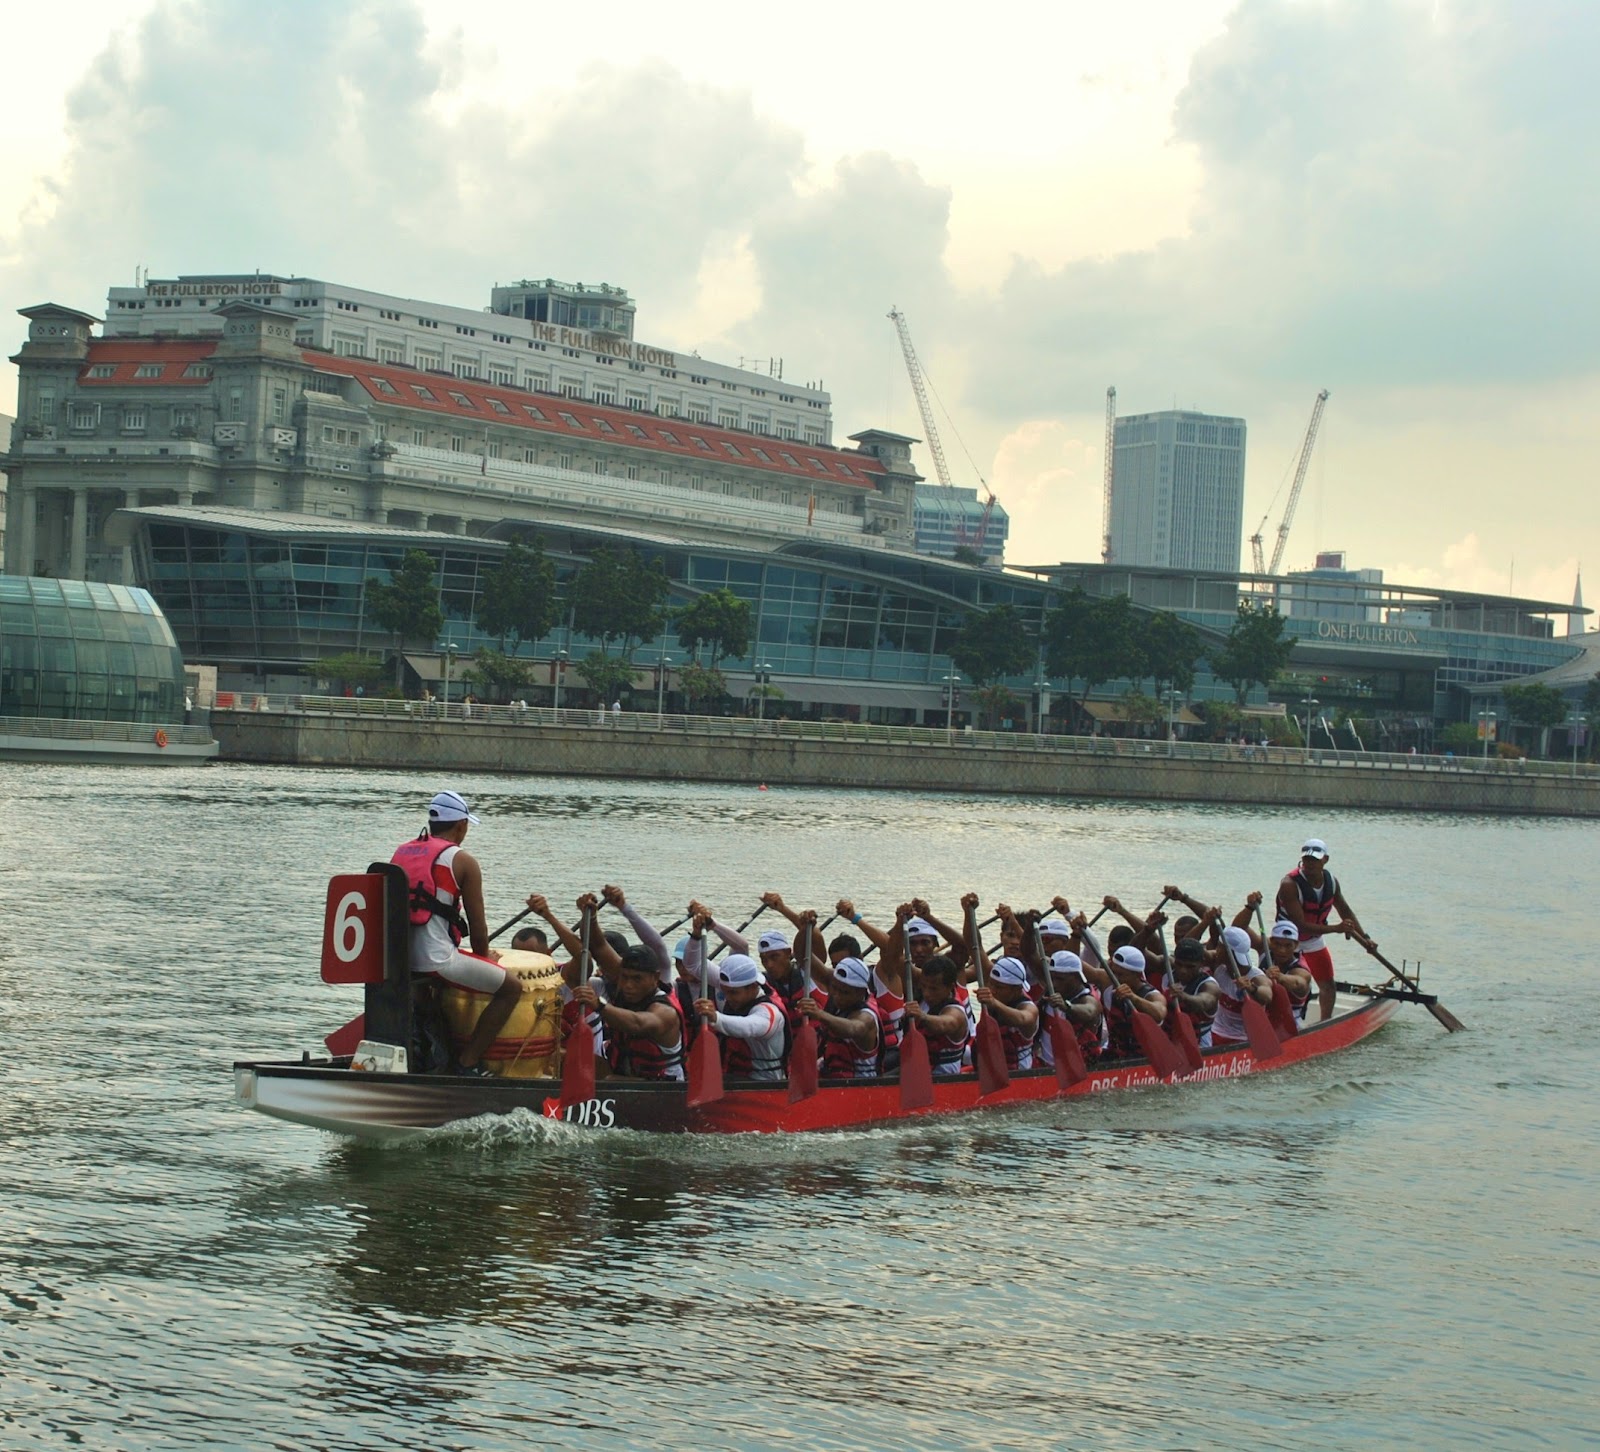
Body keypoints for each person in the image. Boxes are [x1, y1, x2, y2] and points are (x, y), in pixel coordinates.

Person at [390, 790, 524, 1075]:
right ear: (461, 825)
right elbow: (478, 928)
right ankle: (467, 1063)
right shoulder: (463, 861)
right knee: (512, 989)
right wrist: (485, 958)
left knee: (439, 989)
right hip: (435, 960)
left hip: (397, 962)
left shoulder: (402, 852)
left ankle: (432, 1054)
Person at [1276, 838, 1369, 1022]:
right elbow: (1300, 924)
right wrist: (1336, 928)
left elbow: (1345, 911)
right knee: (1284, 985)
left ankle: (1325, 1022)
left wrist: (1366, 939)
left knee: (1327, 985)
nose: (1309, 864)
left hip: (1314, 940)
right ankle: (1279, 1020)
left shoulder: (1331, 882)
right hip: (1287, 941)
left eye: (1315, 860)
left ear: (1325, 859)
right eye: (1306, 859)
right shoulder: (1289, 884)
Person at [574, 944, 685, 1080]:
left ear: (656, 977)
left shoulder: (665, 1012)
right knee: (574, 1058)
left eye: (637, 979)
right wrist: (591, 922)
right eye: (624, 977)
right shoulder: (625, 986)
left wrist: (598, 1004)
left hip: (662, 1085)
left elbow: (638, 1023)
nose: (628, 985)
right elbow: (598, 946)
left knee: (609, 1079)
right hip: (628, 1075)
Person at [696, 954, 786, 1081]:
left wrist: (716, 1017)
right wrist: (696, 937)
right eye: (724, 992)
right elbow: (694, 964)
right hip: (736, 1076)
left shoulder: (768, 1013)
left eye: (733, 993)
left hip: (764, 1080)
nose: (727, 998)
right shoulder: (736, 988)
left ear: (753, 986)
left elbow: (747, 1027)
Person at [798, 955, 881, 1079]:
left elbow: (853, 1028)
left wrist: (819, 1013)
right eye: (835, 989)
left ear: (860, 992)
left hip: (859, 1087)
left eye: (845, 992)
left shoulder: (867, 1018)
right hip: (832, 1080)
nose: (837, 996)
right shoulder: (838, 998)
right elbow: (802, 953)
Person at [902, 955, 970, 1076]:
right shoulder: (923, 1000)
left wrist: (922, 1016)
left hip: (944, 1081)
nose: (927, 993)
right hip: (919, 1073)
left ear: (950, 987)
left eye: (934, 989)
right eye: (924, 987)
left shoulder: (956, 1013)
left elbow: (945, 1023)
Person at [1210, 926, 1275, 1048]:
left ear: (1228, 951)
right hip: (1214, 1034)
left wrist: (1251, 988)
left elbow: (1267, 996)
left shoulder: (1256, 977)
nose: (1216, 949)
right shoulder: (1218, 965)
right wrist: (1208, 920)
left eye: (1219, 946)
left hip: (1242, 1040)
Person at [1038, 950, 1105, 1068]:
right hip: (1045, 1066)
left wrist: (1066, 1006)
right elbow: (1029, 953)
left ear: (1076, 977)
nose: (1053, 984)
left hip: (1078, 1068)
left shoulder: (1088, 1000)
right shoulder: (1049, 993)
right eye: (1052, 978)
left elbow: (1089, 1011)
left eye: (1059, 979)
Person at [973, 955, 1040, 1071]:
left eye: (999, 987)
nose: (992, 990)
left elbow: (1023, 1018)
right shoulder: (995, 996)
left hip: (1018, 1072)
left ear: (1017, 989)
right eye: (991, 984)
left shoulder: (1029, 1008)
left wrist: (994, 1003)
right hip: (990, 1067)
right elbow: (976, 950)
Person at [1101, 944, 1167, 1059]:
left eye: (1121, 974)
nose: (1115, 978)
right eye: (1114, 972)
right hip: (1114, 1053)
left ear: (1137, 974)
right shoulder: (1109, 984)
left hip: (1143, 1058)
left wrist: (1133, 998)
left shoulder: (1152, 995)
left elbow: (1159, 1013)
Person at [1168, 938, 1220, 1047]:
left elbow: (1204, 1002)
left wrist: (1184, 996)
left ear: (1202, 963)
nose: (1183, 971)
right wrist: (1147, 931)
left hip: (1199, 1046)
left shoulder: (1209, 986)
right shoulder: (1167, 970)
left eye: (1190, 966)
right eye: (1179, 964)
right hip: (1171, 1043)